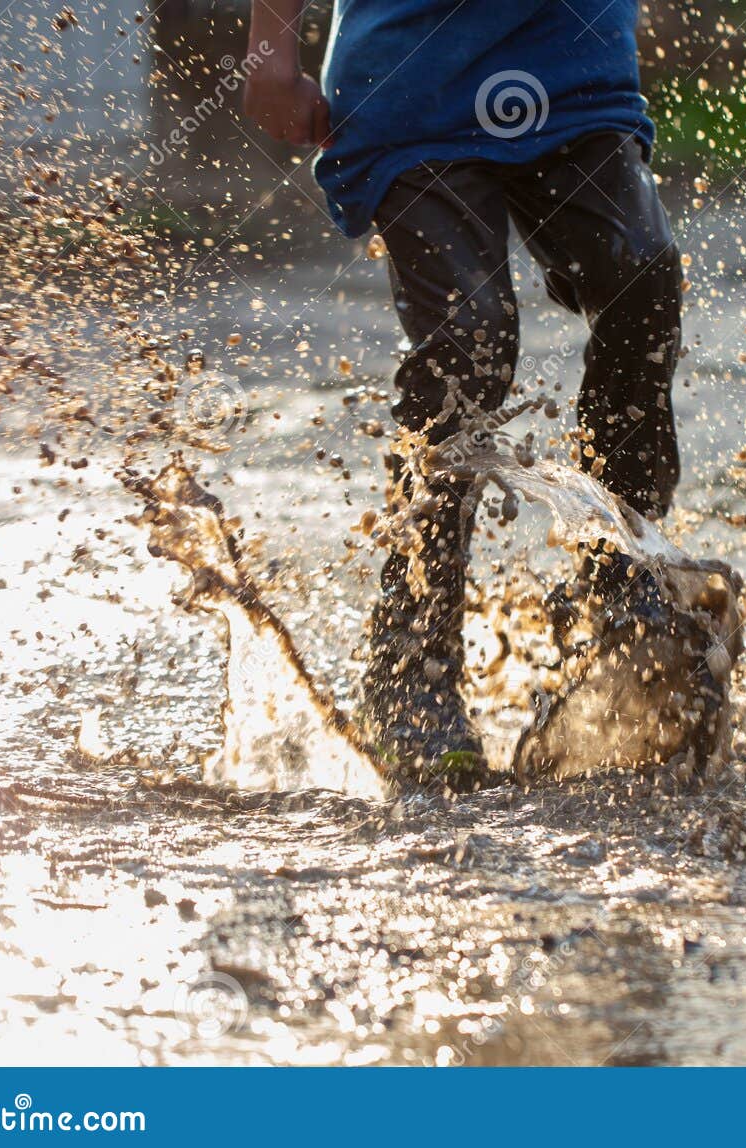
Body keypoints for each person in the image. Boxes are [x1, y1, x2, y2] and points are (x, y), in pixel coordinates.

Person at [242, 0, 683, 778]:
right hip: (412, 71)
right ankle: (412, 664)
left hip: (571, 55)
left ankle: (623, 595)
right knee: (467, 339)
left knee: (639, 276)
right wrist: (272, 48)